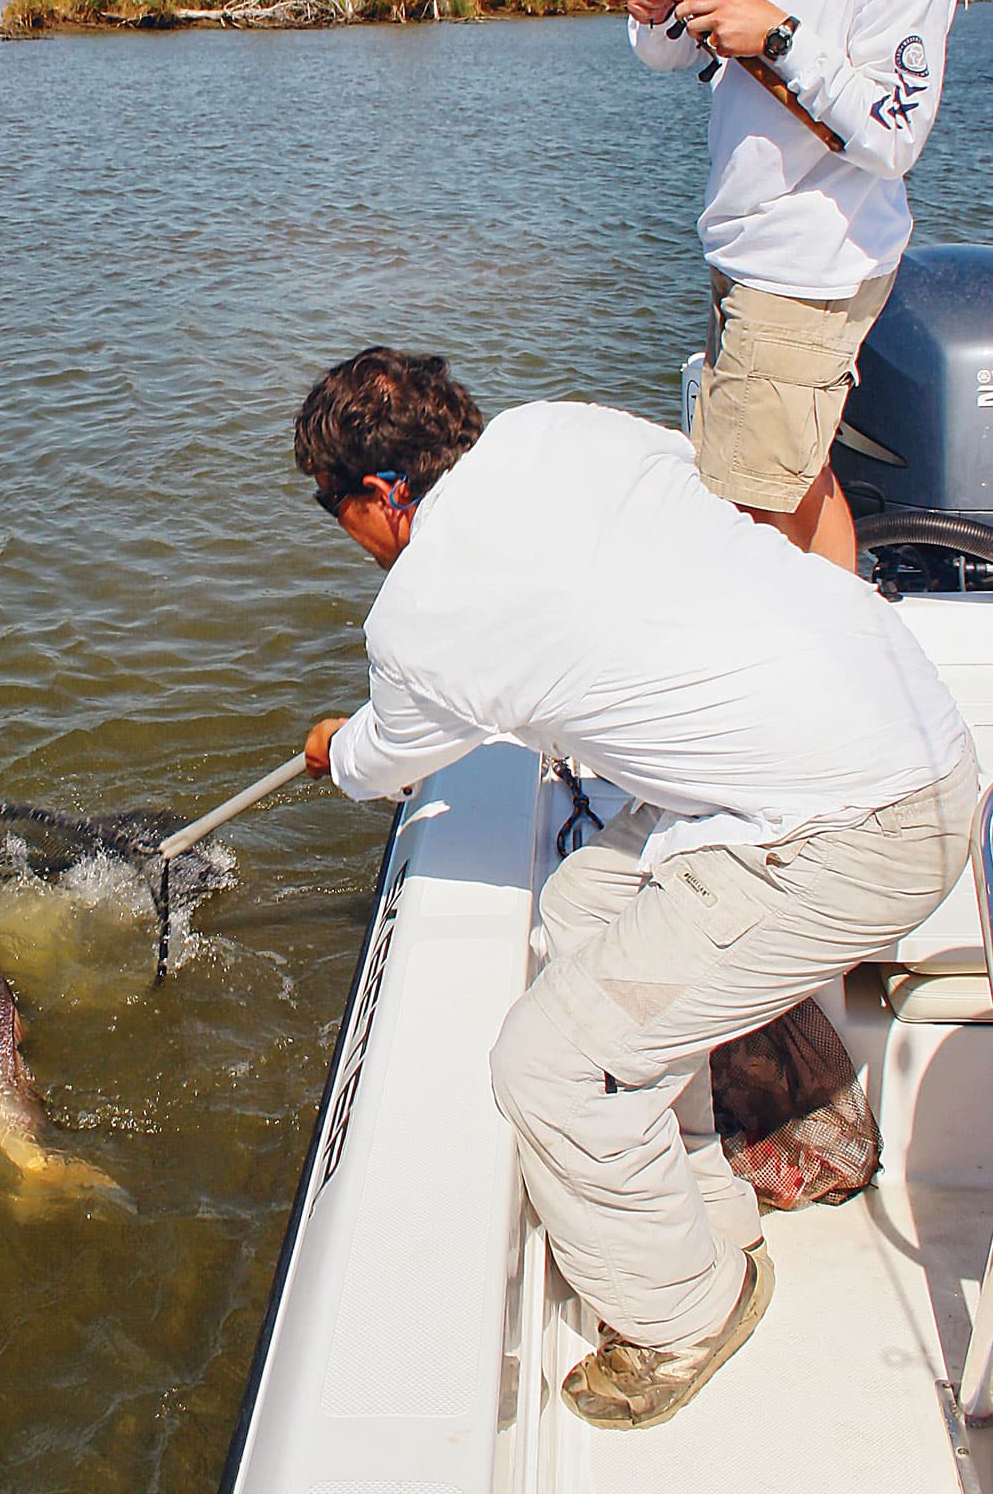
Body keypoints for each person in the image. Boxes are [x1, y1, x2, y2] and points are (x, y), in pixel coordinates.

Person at [296, 346, 975, 1429]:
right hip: (917, 733)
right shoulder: (564, 424)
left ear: (380, 495)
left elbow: (388, 758)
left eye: (337, 512)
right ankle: (702, 1192)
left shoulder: (418, 615)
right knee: (580, 908)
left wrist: (336, 749)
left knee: (544, 1065)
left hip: (858, 829)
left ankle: (685, 1309)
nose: (352, 540)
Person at [627, 0, 957, 569]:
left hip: (811, 266)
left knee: (742, 525)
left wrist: (780, 38)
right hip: (738, 242)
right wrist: (661, 17)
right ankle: (855, 637)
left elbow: (896, 140)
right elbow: (675, 51)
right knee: (801, 478)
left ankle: (789, 688)